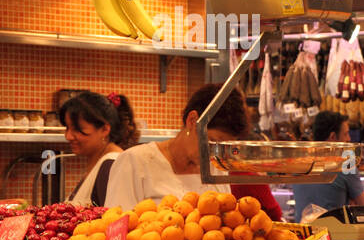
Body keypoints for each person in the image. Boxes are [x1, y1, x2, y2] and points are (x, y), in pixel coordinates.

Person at [104, 84, 247, 207]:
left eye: (222, 147)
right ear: (192, 120)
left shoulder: (216, 168)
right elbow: (117, 229)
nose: (214, 152)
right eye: (212, 141)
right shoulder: (134, 162)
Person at [288, 111, 364, 222]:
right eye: (346, 134)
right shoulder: (345, 162)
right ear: (333, 136)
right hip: (333, 236)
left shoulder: (301, 159)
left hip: (304, 234)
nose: (349, 138)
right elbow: (363, 206)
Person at [60, 92, 126, 206]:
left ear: (104, 129)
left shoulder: (111, 166)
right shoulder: (99, 162)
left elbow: (111, 218)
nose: (68, 136)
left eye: (77, 129)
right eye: (67, 128)